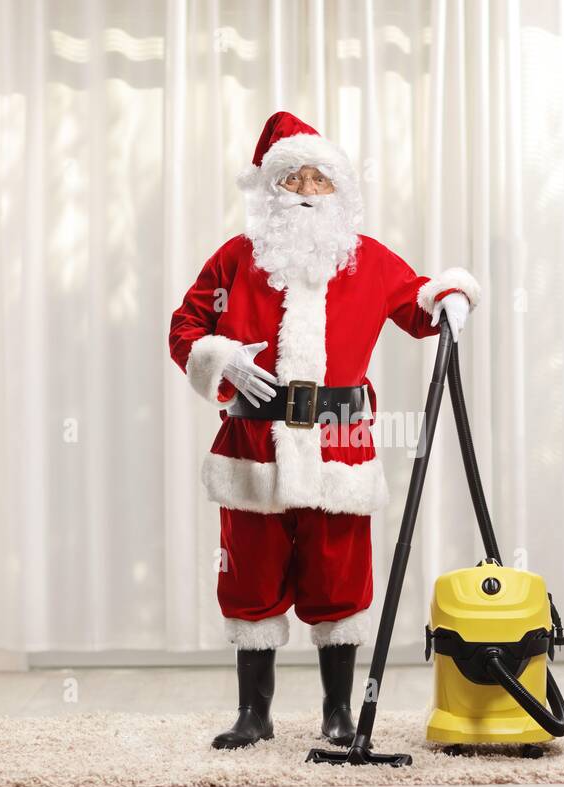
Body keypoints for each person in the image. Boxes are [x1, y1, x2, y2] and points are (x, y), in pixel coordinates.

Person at [169, 111, 479, 751]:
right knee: (250, 580)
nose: (308, 190)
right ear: (270, 190)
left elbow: (418, 302)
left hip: (340, 445)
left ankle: (339, 716)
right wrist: (224, 361)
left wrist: (451, 296)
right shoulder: (234, 259)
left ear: (340, 191)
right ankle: (254, 715)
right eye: (293, 178)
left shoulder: (365, 259)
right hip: (254, 445)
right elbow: (186, 329)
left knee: (339, 579)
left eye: (321, 179)